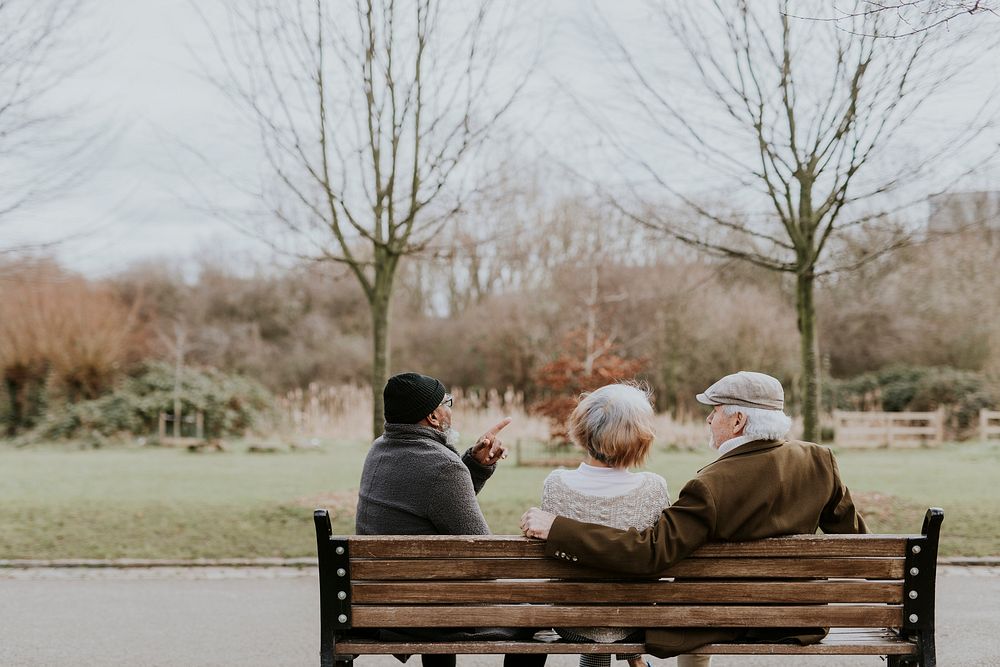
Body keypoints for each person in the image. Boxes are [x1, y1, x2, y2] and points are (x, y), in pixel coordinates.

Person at [520, 371, 868, 663]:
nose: (708, 419)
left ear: (738, 420)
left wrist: (558, 529)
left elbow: (650, 553)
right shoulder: (820, 460)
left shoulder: (710, 486)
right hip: (800, 619)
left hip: (727, 618)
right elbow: (857, 545)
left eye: (714, 411)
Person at [356, 371, 544, 667]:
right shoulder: (441, 466)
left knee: (442, 582)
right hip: (428, 613)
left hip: (380, 605)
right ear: (432, 415)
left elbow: (434, 504)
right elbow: (483, 553)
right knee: (535, 617)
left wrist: (473, 465)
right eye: (448, 403)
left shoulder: (379, 449)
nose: (450, 409)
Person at [540, 384, 669, 667]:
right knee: (617, 613)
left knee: (597, 617)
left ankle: (625, 659)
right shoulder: (654, 488)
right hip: (636, 619)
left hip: (572, 620)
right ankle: (635, 659)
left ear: (581, 428)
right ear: (640, 439)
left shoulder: (556, 485)